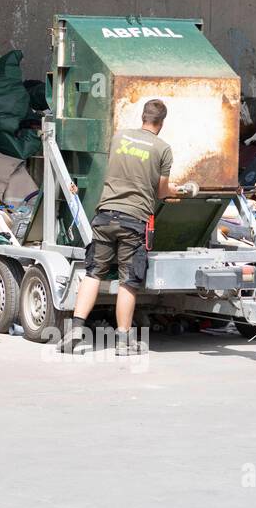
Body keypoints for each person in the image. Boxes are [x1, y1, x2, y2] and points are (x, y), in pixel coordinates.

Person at [60, 98, 198, 356]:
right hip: (133, 221)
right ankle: (123, 341)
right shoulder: (163, 149)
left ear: (143, 116)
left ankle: (74, 332)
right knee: (128, 280)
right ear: (162, 122)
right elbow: (161, 191)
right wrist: (180, 190)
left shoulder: (119, 138)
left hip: (104, 215)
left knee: (94, 273)